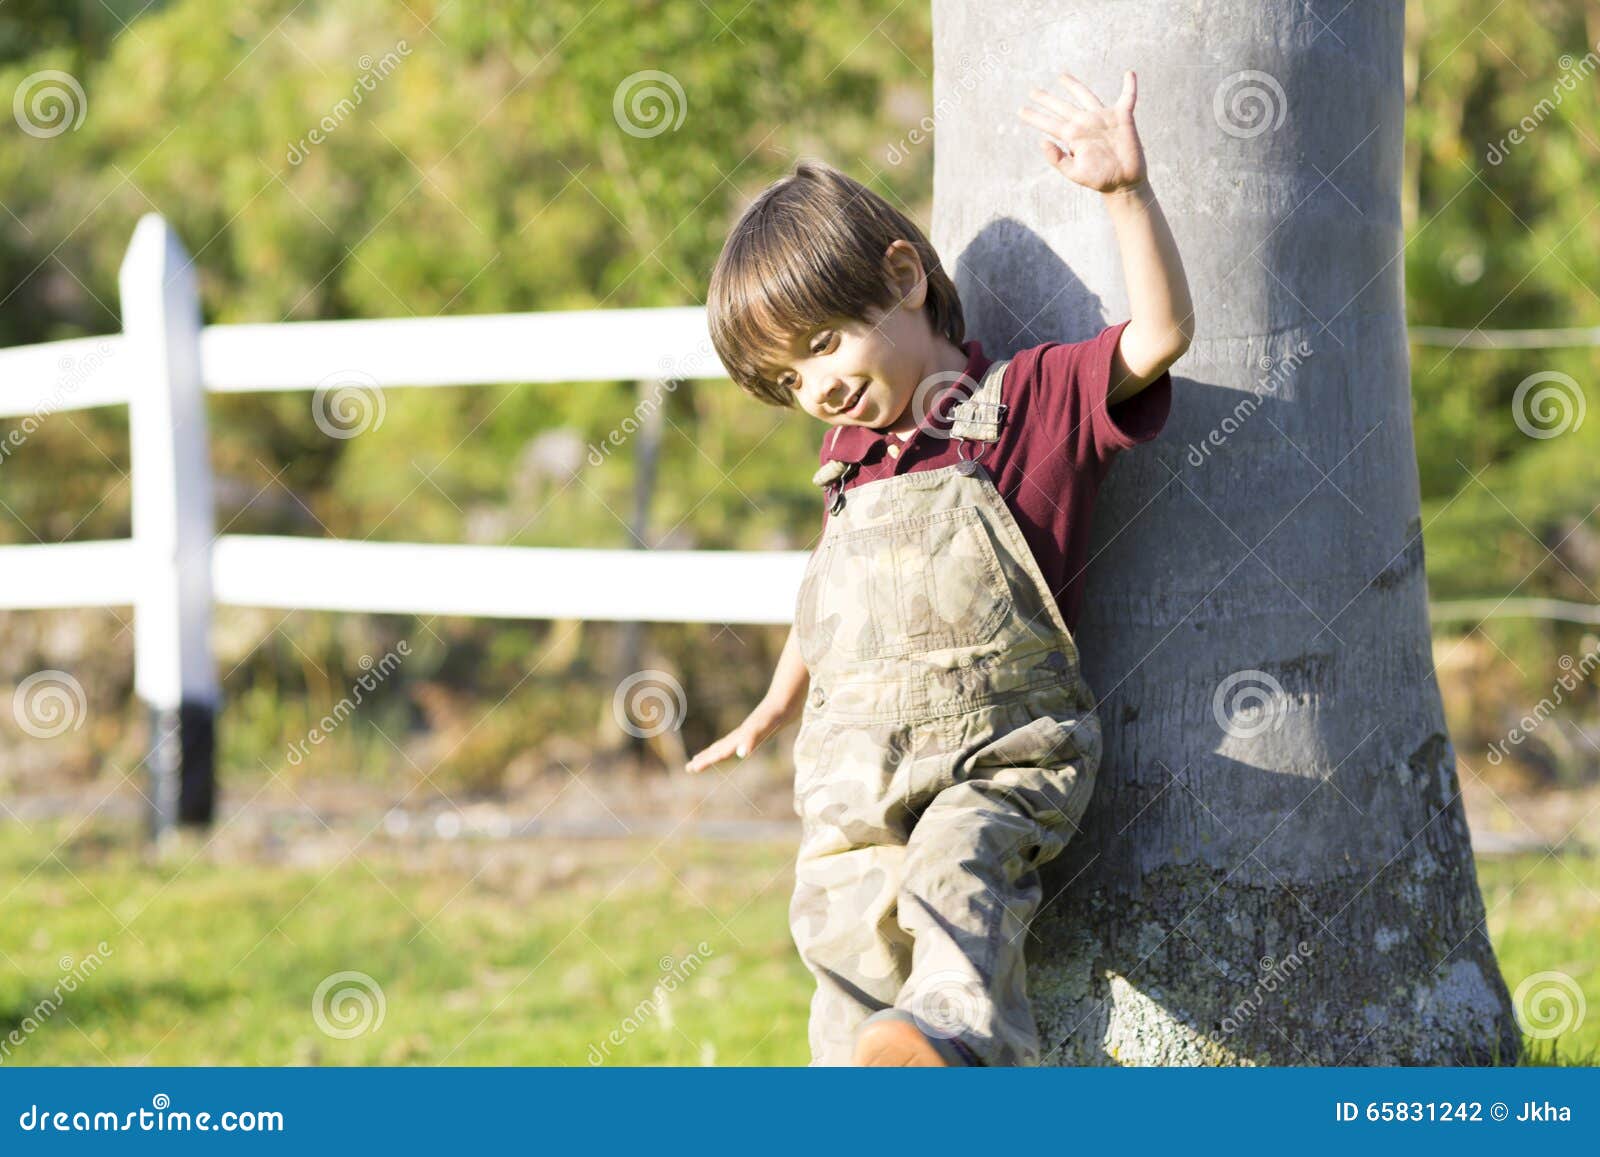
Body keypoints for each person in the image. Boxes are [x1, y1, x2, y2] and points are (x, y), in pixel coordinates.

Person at [684, 68, 1193, 1066]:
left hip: (991, 757)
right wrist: (774, 697)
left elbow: (1162, 336)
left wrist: (1126, 193)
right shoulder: (846, 459)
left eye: (825, 343)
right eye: (790, 378)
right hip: (854, 770)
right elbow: (833, 583)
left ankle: (950, 1051)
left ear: (905, 276)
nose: (819, 384)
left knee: (954, 878)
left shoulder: (1031, 400)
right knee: (836, 928)